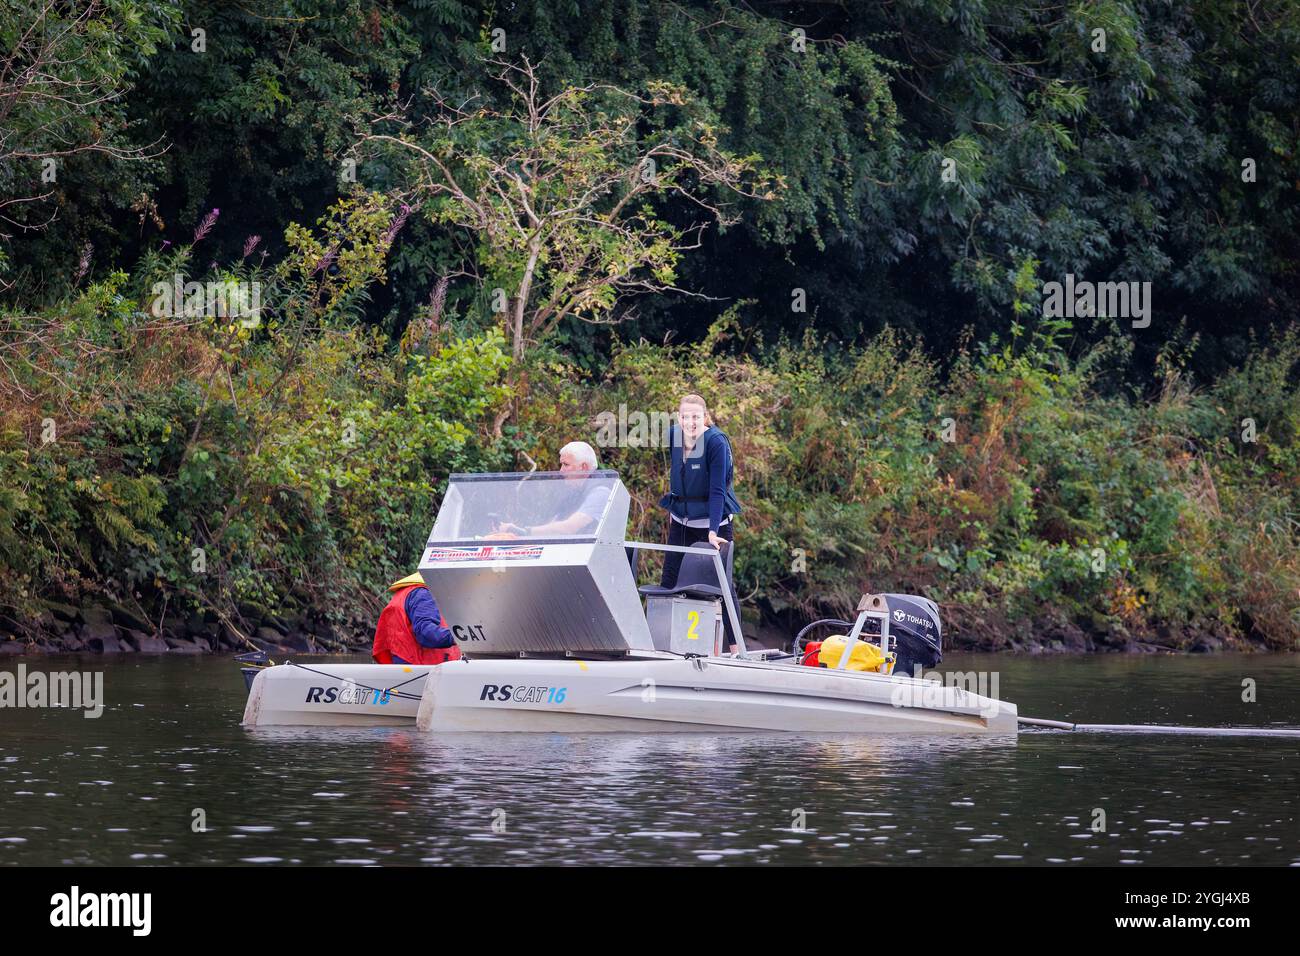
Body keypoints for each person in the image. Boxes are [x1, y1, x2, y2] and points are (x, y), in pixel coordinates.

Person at [658, 393, 742, 645]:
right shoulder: (673, 435)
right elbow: (678, 475)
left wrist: (714, 531)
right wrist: (674, 512)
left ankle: (737, 647)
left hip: (713, 525)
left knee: (724, 587)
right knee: (669, 579)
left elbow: (718, 490)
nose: (690, 422)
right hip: (682, 522)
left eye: (695, 416)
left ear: (704, 417)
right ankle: (661, 642)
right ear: (679, 417)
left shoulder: (716, 442)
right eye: (685, 416)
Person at [498, 441, 611, 536]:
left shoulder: (600, 492)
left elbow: (569, 528)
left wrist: (525, 532)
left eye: (566, 465)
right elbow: (553, 524)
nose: (561, 470)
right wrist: (514, 531)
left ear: (584, 467)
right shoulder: (574, 494)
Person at [371, 572, 462, 665]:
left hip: (408, 665)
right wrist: (462, 637)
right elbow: (426, 633)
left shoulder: (411, 591)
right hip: (420, 669)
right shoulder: (423, 594)